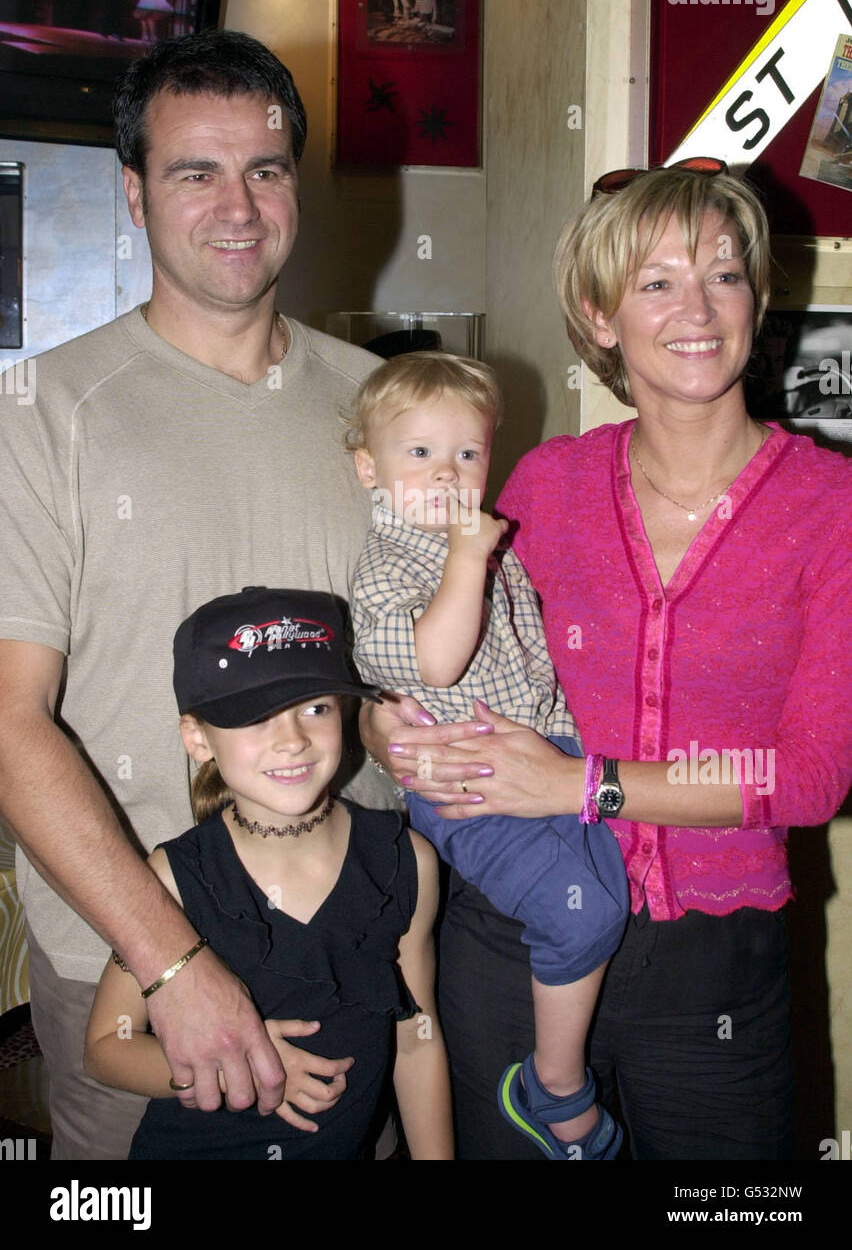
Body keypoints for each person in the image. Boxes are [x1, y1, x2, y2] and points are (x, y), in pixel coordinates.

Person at [360, 161, 852, 1159]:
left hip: (713, 968)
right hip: (508, 935)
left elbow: (805, 777)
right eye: (656, 281)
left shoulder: (828, 506)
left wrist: (586, 785)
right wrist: (380, 718)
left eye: (724, 273)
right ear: (598, 315)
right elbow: (432, 634)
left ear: (758, 297)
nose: (698, 308)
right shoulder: (546, 486)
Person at [0, 29, 392, 1159]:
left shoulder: (381, 404)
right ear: (134, 192)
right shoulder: (41, 411)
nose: (238, 204)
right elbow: (11, 717)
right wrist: (176, 961)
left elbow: (423, 661)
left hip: (351, 934)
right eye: (194, 171)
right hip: (134, 966)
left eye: (266, 169)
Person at [348, 353, 628, 1159]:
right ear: (370, 468)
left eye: (467, 454)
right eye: (420, 453)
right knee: (584, 911)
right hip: (465, 781)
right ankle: (554, 1085)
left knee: (609, 883)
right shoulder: (392, 564)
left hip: (542, 754)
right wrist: (470, 557)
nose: (447, 473)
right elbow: (435, 661)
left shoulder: (480, 547)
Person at [85, 587, 451, 1160]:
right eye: (256, 717)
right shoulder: (173, 879)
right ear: (198, 739)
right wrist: (239, 1065)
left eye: (315, 707)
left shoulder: (406, 862)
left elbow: (417, 1042)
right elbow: (108, 1046)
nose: (292, 740)